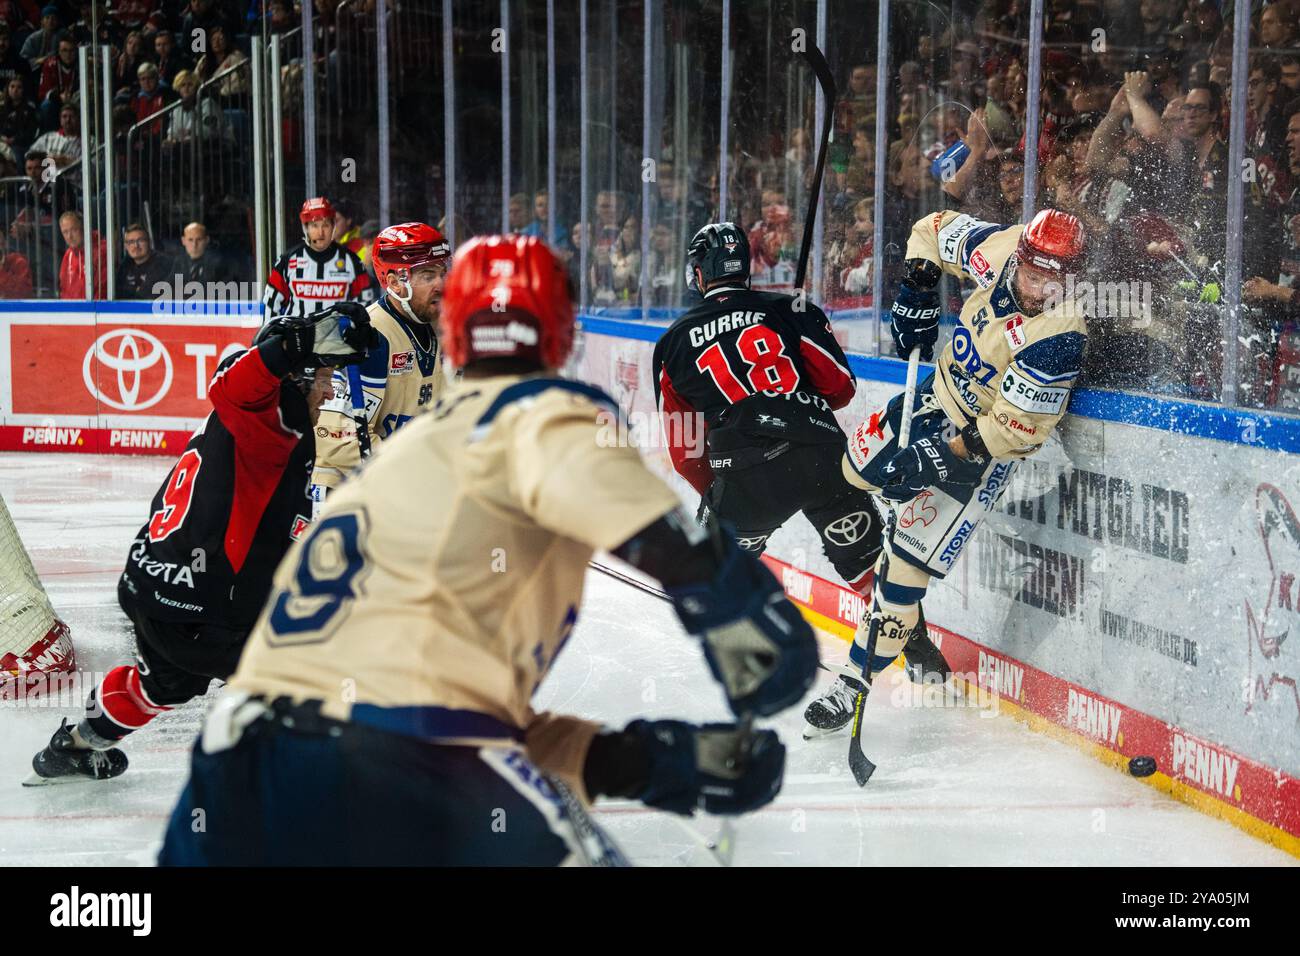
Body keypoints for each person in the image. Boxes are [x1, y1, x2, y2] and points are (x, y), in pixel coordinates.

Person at [156, 234, 818, 865]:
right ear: (560, 336)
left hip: (234, 767)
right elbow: (431, 726)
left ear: (455, 337)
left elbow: (452, 716)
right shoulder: (550, 411)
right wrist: (734, 607)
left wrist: (645, 764)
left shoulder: (391, 468)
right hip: (401, 759)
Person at [25, 306, 377, 784]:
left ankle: (79, 742)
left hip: (157, 589)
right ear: (295, 378)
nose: (330, 391)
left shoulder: (244, 426)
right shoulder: (268, 417)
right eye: (324, 378)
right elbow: (235, 379)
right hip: (202, 604)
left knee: (166, 685)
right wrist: (288, 347)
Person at [802, 209, 1088, 735]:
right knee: (846, 476)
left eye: (1054, 279)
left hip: (974, 457)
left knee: (903, 576)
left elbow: (1011, 433)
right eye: (1033, 272)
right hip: (928, 399)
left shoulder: (1060, 334)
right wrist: (919, 284)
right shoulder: (997, 250)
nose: (1039, 287)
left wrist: (934, 457)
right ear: (1020, 256)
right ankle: (916, 641)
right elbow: (930, 229)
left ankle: (853, 681)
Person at [651, 222, 950, 705]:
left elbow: (684, 449)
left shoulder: (673, 342)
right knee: (868, 566)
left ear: (699, 273)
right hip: (821, 458)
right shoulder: (790, 308)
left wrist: (716, 495)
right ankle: (917, 650)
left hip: (745, 475)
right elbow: (839, 389)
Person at [309, 222, 450, 513]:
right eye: (428, 275)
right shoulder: (369, 337)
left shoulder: (439, 331)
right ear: (395, 281)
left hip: (395, 487)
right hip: (347, 496)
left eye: (442, 272)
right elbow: (338, 440)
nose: (441, 284)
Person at [262, 196, 375, 321]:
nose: (320, 232)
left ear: (333, 226)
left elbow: (365, 306)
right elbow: (271, 304)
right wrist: (273, 336)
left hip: (339, 339)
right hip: (296, 338)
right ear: (306, 228)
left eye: (325, 225)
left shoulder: (352, 262)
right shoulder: (287, 261)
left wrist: (357, 336)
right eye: (314, 225)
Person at [116, 222, 172, 299]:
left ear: (149, 242)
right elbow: (118, 294)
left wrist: (132, 291)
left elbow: (146, 296)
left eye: (140, 240)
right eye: (131, 242)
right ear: (125, 246)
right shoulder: (126, 264)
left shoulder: (162, 262)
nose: (136, 245)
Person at [57, 210, 105, 299]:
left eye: (74, 230)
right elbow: (63, 290)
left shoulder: (101, 251)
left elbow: (102, 290)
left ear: (84, 228)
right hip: (73, 311)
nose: (69, 236)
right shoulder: (68, 255)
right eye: (65, 232)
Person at [0, 227, 32, 297]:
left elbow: (22, 292)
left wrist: (1, 269)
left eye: (0, 244)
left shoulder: (18, 262)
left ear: (5, 244)